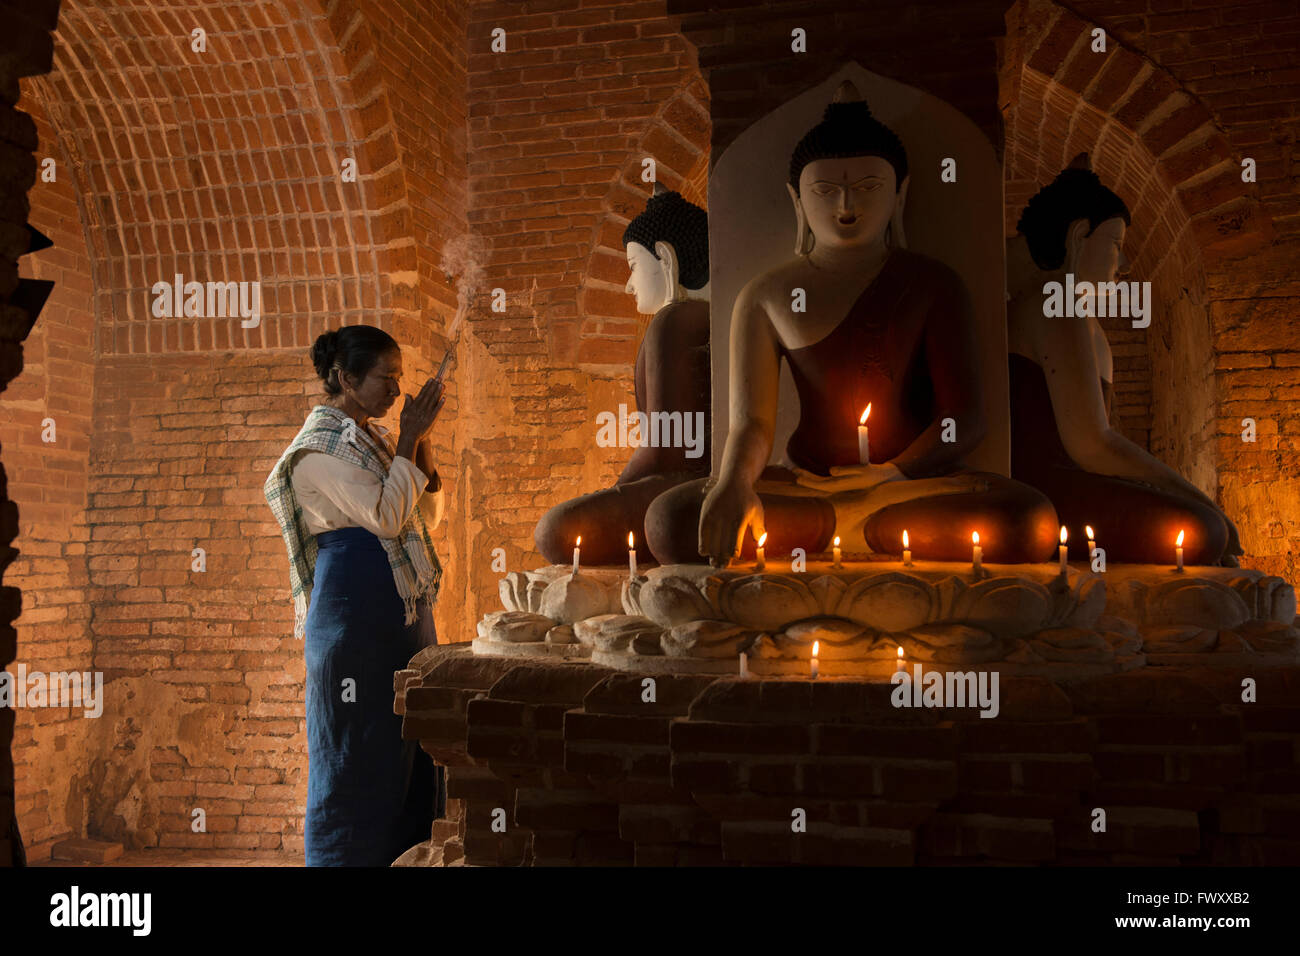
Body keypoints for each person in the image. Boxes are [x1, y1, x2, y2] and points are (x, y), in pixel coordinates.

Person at [645, 81, 1058, 567]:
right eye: (825, 190)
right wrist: (734, 484)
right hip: (808, 483)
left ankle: (841, 527)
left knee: (1027, 521)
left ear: (899, 194)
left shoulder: (933, 283)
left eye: (867, 188)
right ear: (797, 199)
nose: (845, 207)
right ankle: (869, 531)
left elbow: (962, 422)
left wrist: (893, 475)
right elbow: (752, 423)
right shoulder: (766, 295)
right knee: (672, 520)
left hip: (912, 486)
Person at [263, 324, 447, 866]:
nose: (396, 391)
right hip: (355, 611)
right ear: (345, 378)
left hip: (401, 609)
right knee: (360, 748)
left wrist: (422, 437)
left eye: (399, 379)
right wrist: (410, 438)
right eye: (384, 378)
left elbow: (426, 514)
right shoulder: (319, 451)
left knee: (407, 742)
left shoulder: (375, 441)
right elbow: (390, 520)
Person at [1007, 154, 1241, 565]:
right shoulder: (1054, 304)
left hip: (1070, 486)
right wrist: (1195, 496)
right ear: (1079, 236)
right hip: (1048, 496)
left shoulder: (1066, 309)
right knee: (1206, 528)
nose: (1125, 265)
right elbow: (1092, 445)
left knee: (1204, 526)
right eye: (1115, 245)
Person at [534, 184, 711, 566]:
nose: (629, 284)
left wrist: (617, 488)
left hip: (687, 482)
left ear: (665, 258)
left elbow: (666, 446)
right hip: (691, 484)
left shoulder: (676, 320)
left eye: (633, 266)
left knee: (557, 530)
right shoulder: (694, 317)